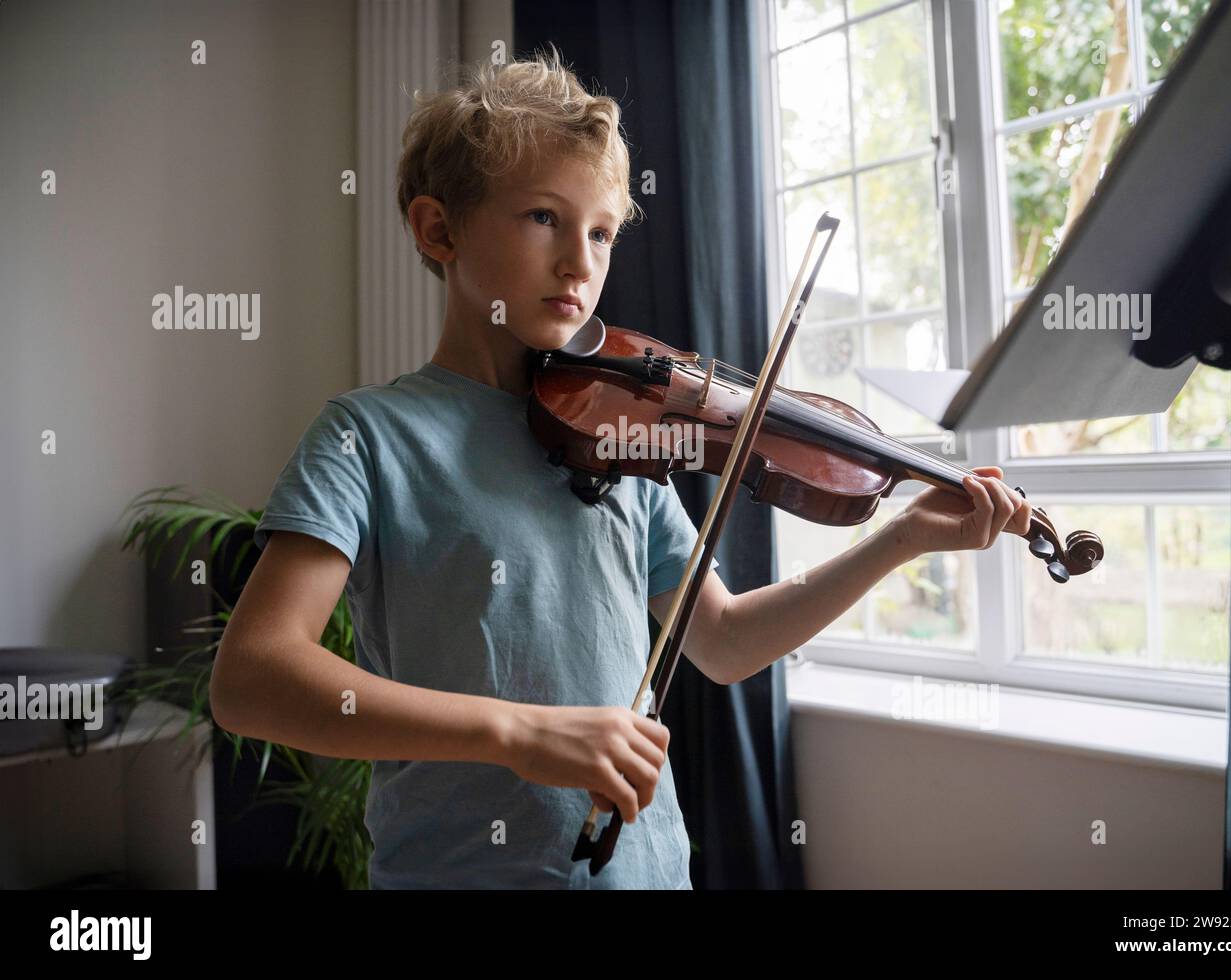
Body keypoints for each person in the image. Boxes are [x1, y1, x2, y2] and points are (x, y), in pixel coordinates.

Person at [209, 48, 1032, 889]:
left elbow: (725, 641)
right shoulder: (370, 438)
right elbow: (252, 677)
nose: (581, 262)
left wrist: (898, 540)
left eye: (601, 232)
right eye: (543, 218)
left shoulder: (617, 437)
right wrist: (517, 733)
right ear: (438, 228)